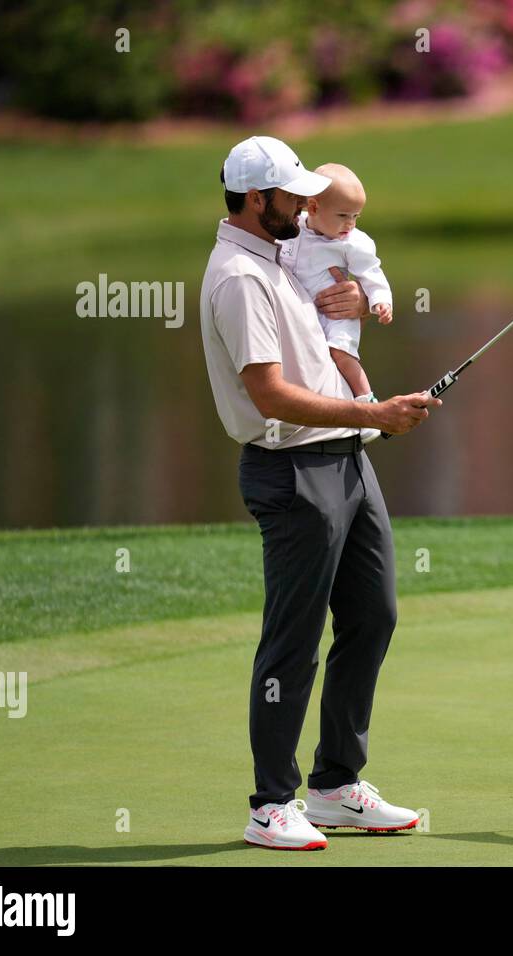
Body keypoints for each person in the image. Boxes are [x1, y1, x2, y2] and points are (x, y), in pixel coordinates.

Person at [199, 134, 441, 850]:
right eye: (292, 195)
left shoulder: (277, 256)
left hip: (346, 463)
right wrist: (374, 413)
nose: (307, 204)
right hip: (292, 470)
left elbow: (329, 317)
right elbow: (271, 394)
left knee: (373, 615)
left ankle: (335, 787)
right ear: (255, 199)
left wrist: (356, 296)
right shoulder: (238, 277)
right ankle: (271, 803)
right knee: (293, 640)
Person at [278, 162, 392, 444]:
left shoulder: (353, 242)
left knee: (341, 354)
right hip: (306, 314)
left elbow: (372, 273)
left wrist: (379, 301)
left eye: (356, 216)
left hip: (338, 315)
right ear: (313, 208)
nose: (350, 224)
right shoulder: (295, 230)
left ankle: (367, 402)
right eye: (343, 215)